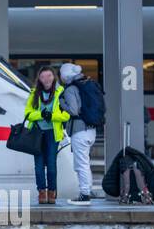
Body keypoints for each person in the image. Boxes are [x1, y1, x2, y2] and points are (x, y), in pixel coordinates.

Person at [25, 66, 70, 205]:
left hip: (52, 134)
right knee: (38, 166)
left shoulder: (60, 92)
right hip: (37, 134)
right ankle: (41, 192)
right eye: (43, 76)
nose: (46, 79)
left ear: (54, 77)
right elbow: (27, 113)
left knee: (51, 164)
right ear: (39, 78)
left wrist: (52, 116)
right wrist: (40, 115)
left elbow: (66, 115)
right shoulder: (34, 93)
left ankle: (52, 192)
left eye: (49, 76)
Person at [59, 62, 100, 204]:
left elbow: (74, 110)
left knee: (80, 164)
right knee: (85, 162)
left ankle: (84, 194)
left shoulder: (71, 89)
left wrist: (61, 102)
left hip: (79, 130)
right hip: (91, 130)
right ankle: (87, 189)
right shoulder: (87, 83)